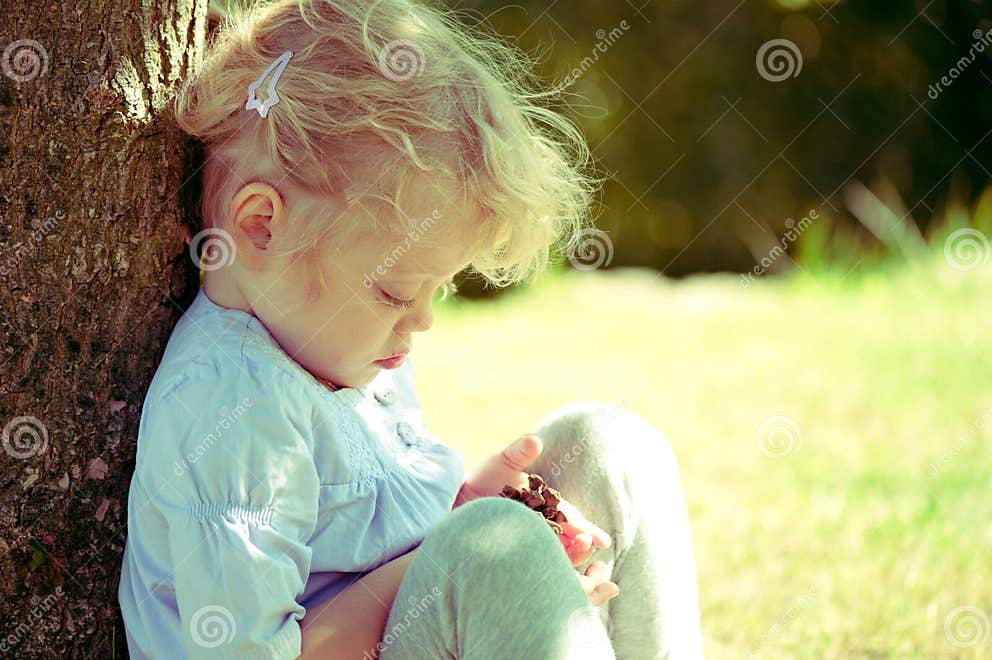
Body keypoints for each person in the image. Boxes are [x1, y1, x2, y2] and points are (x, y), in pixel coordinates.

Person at [117, 0, 704, 657]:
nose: (422, 319)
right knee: (495, 548)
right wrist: (468, 552)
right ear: (261, 227)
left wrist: (464, 513)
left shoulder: (345, 345)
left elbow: (375, 552)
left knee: (607, 443)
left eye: (438, 288)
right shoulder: (230, 407)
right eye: (396, 291)